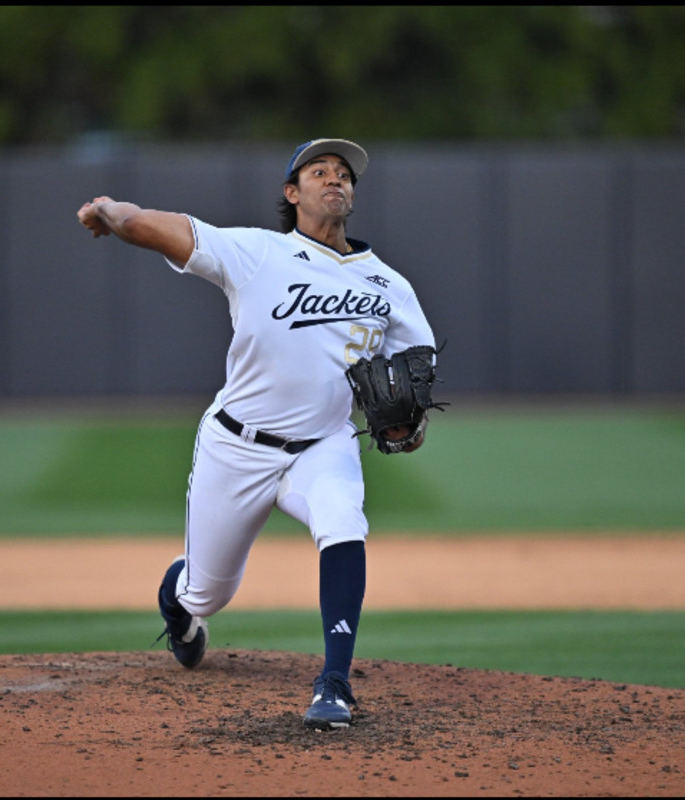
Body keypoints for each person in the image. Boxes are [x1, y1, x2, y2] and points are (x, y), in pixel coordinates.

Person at [76, 138, 437, 730]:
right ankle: (179, 603)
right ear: (293, 194)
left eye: (344, 173)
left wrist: (410, 426)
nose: (335, 179)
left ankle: (335, 684)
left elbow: (415, 378)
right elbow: (149, 226)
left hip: (324, 445)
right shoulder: (256, 253)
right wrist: (110, 210)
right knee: (206, 593)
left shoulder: (389, 287)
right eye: (319, 171)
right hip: (236, 447)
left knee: (343, 521)